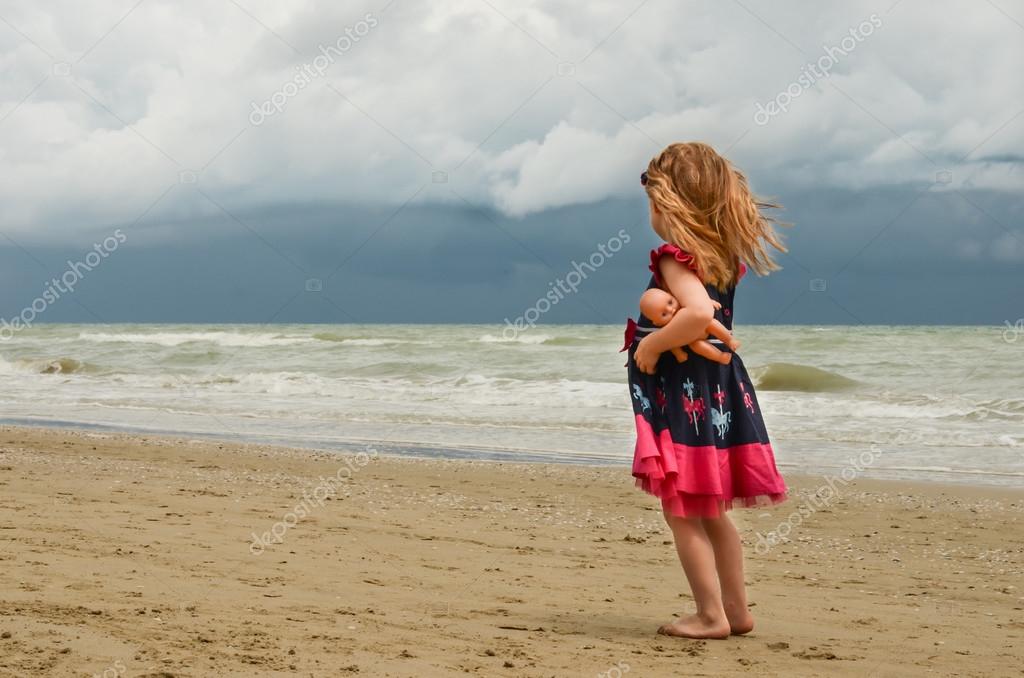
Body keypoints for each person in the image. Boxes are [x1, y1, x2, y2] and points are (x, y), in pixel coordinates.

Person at [623, 142, 788, 639]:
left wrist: (651, 347)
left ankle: (710, 615)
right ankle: (736, 612)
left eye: (653, 202)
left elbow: (698, 313)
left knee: (681, 511)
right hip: (718, 393)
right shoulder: (722, 259)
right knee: (712, 513)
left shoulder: (674, 258)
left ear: (666, 204)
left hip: (688, 398)